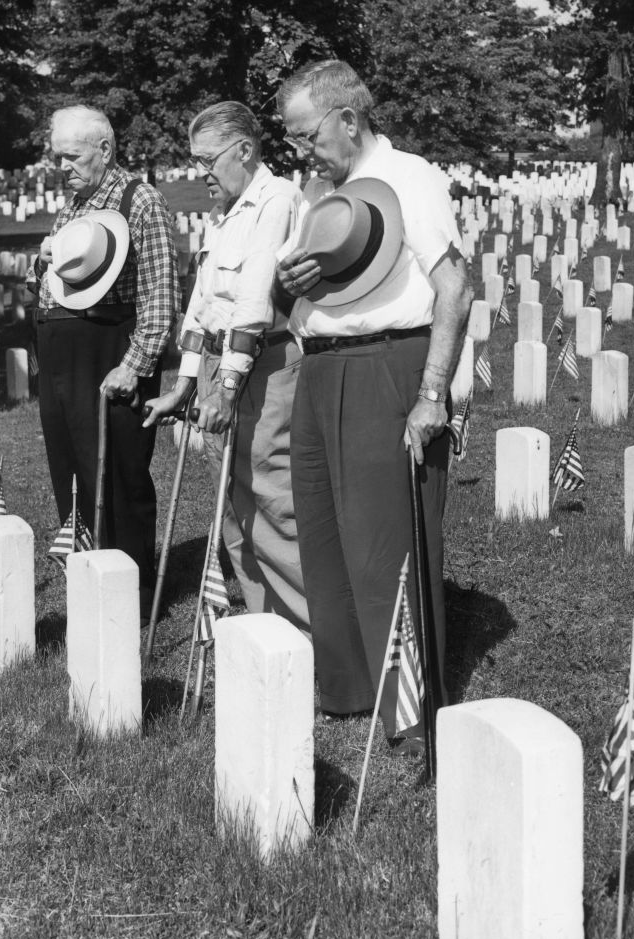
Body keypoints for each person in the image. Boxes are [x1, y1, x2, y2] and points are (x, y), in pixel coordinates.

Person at [274, 61, 473, 752]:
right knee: (325, 537)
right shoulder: (320, 193)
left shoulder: (410, 177)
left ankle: (412, 712)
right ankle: (352, 687)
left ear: (348, 120)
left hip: (388, 366)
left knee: (386, 542)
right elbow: (308, 297)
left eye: (305, 135)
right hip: (321, 370)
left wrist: (432, 392)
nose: (299, 150)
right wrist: (286, 283)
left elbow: (456, 287)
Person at [143, 101, 308, 633]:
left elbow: (254, 302)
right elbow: (203, 306)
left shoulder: (275, 200)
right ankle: (266, 624)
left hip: (263, 364)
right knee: (230, 503)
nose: (202, 173)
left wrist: (227, 389)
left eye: (208, 160)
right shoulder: (225, 210)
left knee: (270, 496)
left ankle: (307, 628)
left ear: (244, 150)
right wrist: (187, 384)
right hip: (221, 366)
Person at [34, 105, 180, 623]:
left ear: (105, 149)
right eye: (58, 157)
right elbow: (57, 277)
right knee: (72, 468)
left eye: (71, 156)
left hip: (110, 352)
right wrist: (41, 263)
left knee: (118, 472)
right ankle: (91, 573)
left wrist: (134, 365)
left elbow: (160, 294)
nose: (63, 167)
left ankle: (130, 595)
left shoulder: (140, 202)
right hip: (63, 356)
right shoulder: (75, 203)